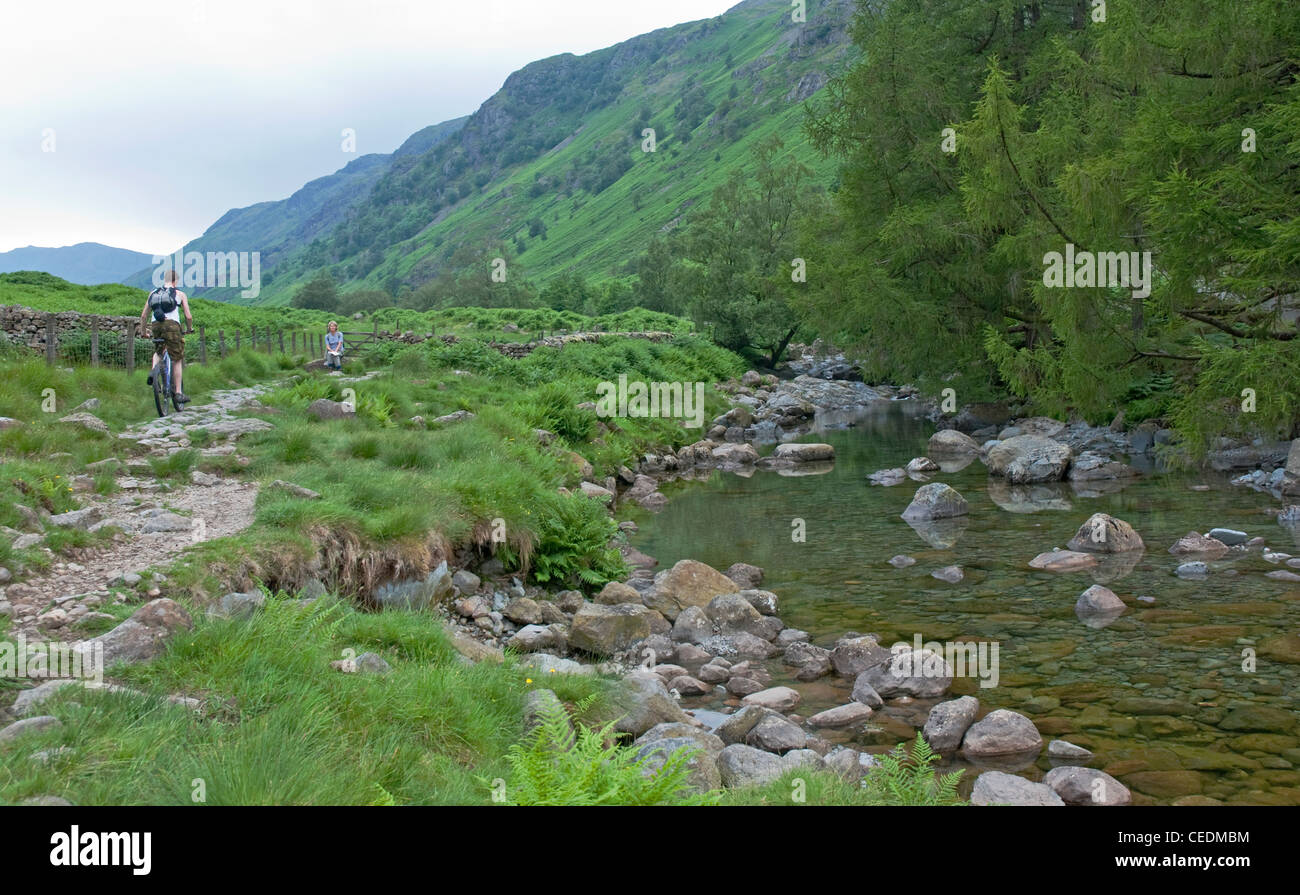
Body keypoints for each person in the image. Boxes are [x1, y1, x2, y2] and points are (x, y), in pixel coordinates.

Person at [139, 270, 194, 404]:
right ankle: (179, 393)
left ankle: (153, 371)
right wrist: (189, 329)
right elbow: (188, 316)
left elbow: (143, 316)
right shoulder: (180, 294)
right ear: (176, 281)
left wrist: (143, 332)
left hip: (156, 325)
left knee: (159, 350)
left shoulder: (153, 293)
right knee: (177, 358)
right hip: (172, 326)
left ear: (165, 279)